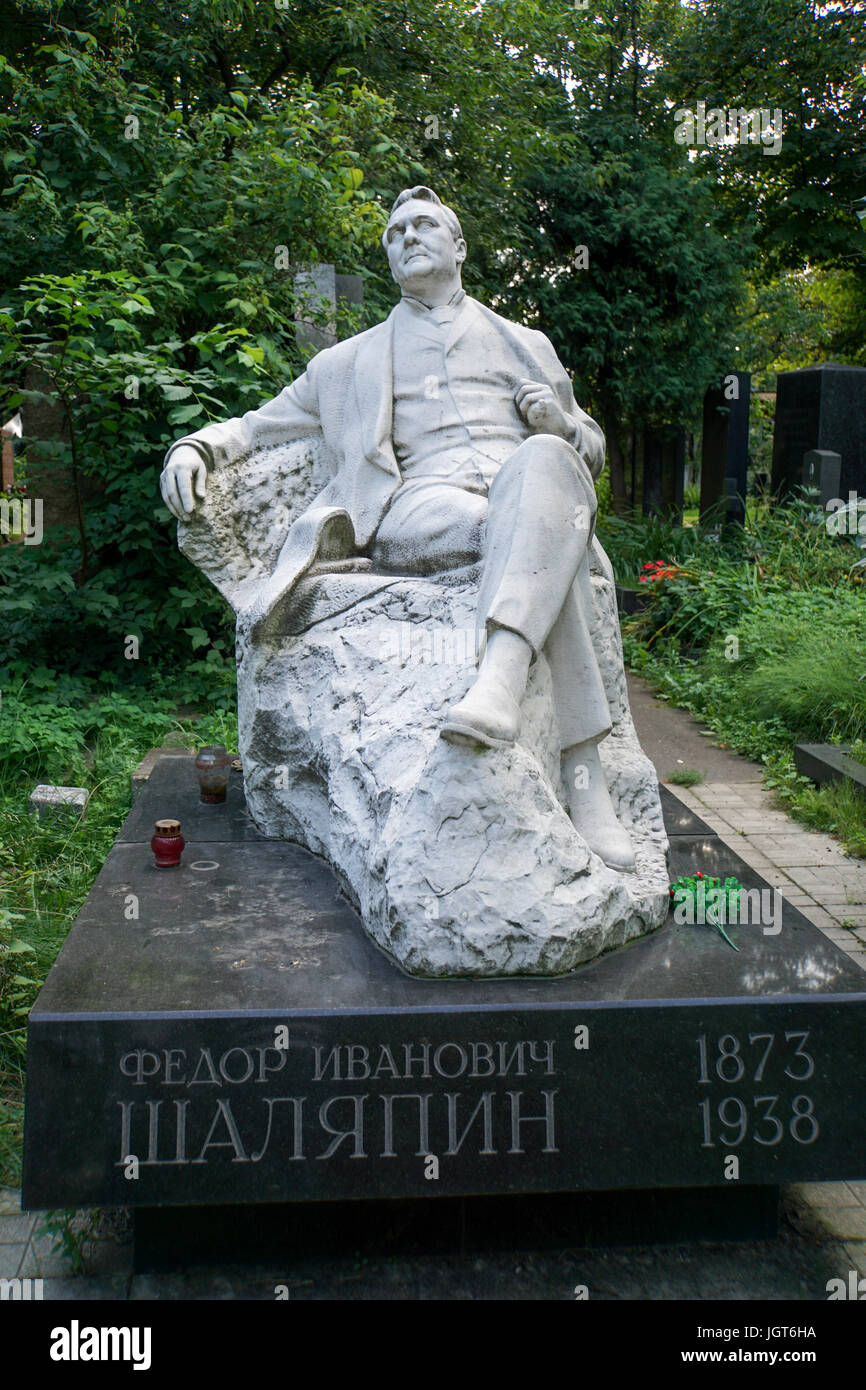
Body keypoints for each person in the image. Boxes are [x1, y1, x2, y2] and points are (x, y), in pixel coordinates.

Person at [160, 186, 635, 871]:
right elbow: (257, 426)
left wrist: (562, 427)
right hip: (425, 508)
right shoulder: (347, 362)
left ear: (459, 246)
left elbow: (588, 448)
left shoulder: (527, 343)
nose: (408, 236)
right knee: (543, 535)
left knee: (545, 466)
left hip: (526, 487)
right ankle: (583, 777)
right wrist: (193, 448)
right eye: (394, 232)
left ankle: (498, 682)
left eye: (423, 226)